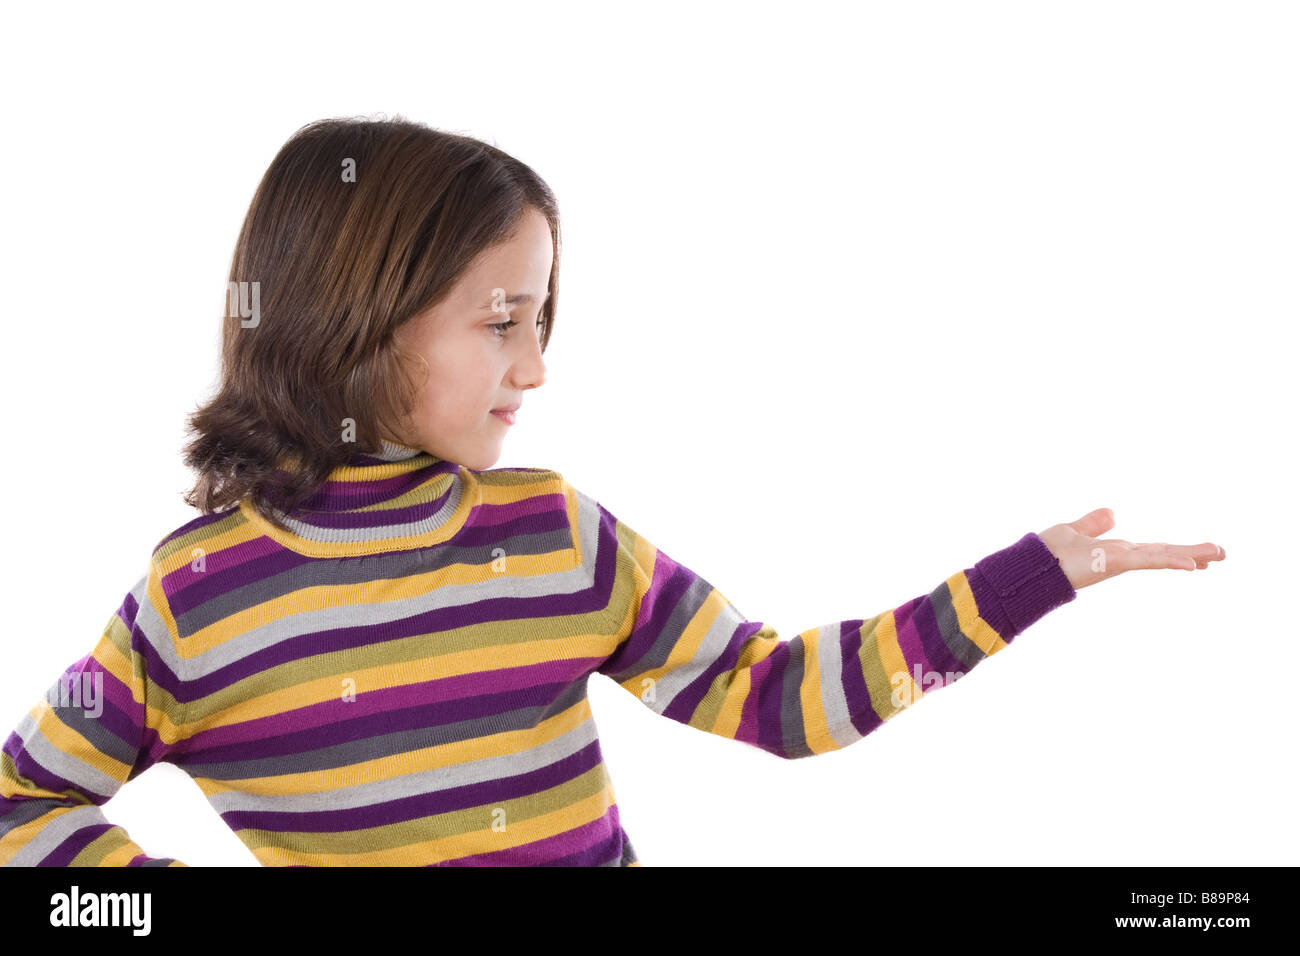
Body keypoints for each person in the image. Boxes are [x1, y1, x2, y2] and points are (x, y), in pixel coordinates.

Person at [0, 116, 1225, 867]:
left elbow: (778, 698)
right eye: (501, 321)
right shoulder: (199, 597)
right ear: (354, 316)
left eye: (543, 320)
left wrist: (1025, 582)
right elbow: (21, 811)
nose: (535, 367)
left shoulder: (553, 534)